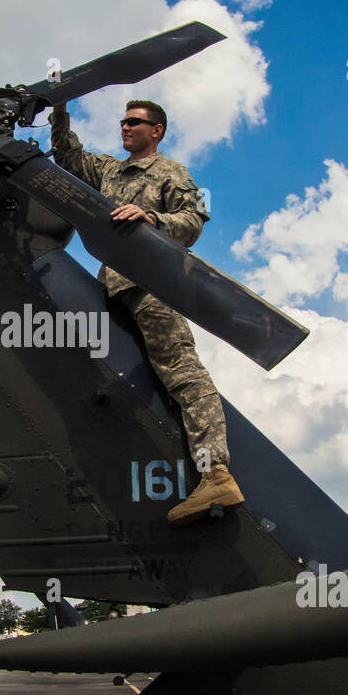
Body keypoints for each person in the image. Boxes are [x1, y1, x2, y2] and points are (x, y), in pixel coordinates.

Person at [50, 99, 243, 526]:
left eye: (134, 122)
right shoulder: (110, 171)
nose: (125, 126)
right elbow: (67, 156)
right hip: (111, 292)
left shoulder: (169, 172)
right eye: (122, 120)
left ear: (157, 130)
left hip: (151, 285)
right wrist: (59, 107)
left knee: (182, 373)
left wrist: (152, 217)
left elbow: (192, 221)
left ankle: (216, 474)